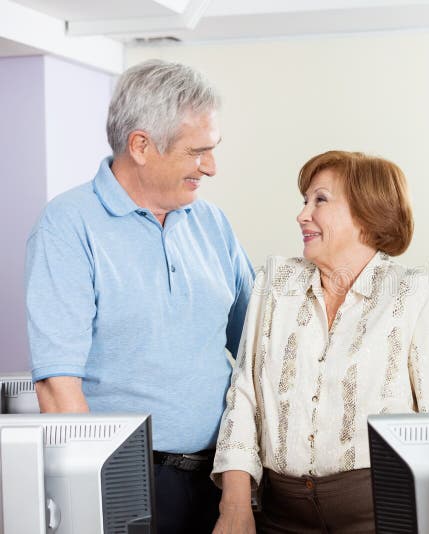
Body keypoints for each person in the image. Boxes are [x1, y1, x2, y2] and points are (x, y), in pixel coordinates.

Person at [25, 59, 254, 533]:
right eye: (197, 152)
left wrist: (238, 487)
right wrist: (98, 496)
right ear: (141, 145)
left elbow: (257, 353)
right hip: (126, 480)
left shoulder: (212, 223)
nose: (211, 167)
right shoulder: (68, 225)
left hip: (218, 476)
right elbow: (57, 386)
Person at [211, 150, 429, 533]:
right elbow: (244, 397)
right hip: (279, 519)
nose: (303, 214)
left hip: (383, 518)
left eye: (320, 199)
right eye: (305, 201)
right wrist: (234, 508)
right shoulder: (274, 284)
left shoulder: (415, 293)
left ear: (366, 213)